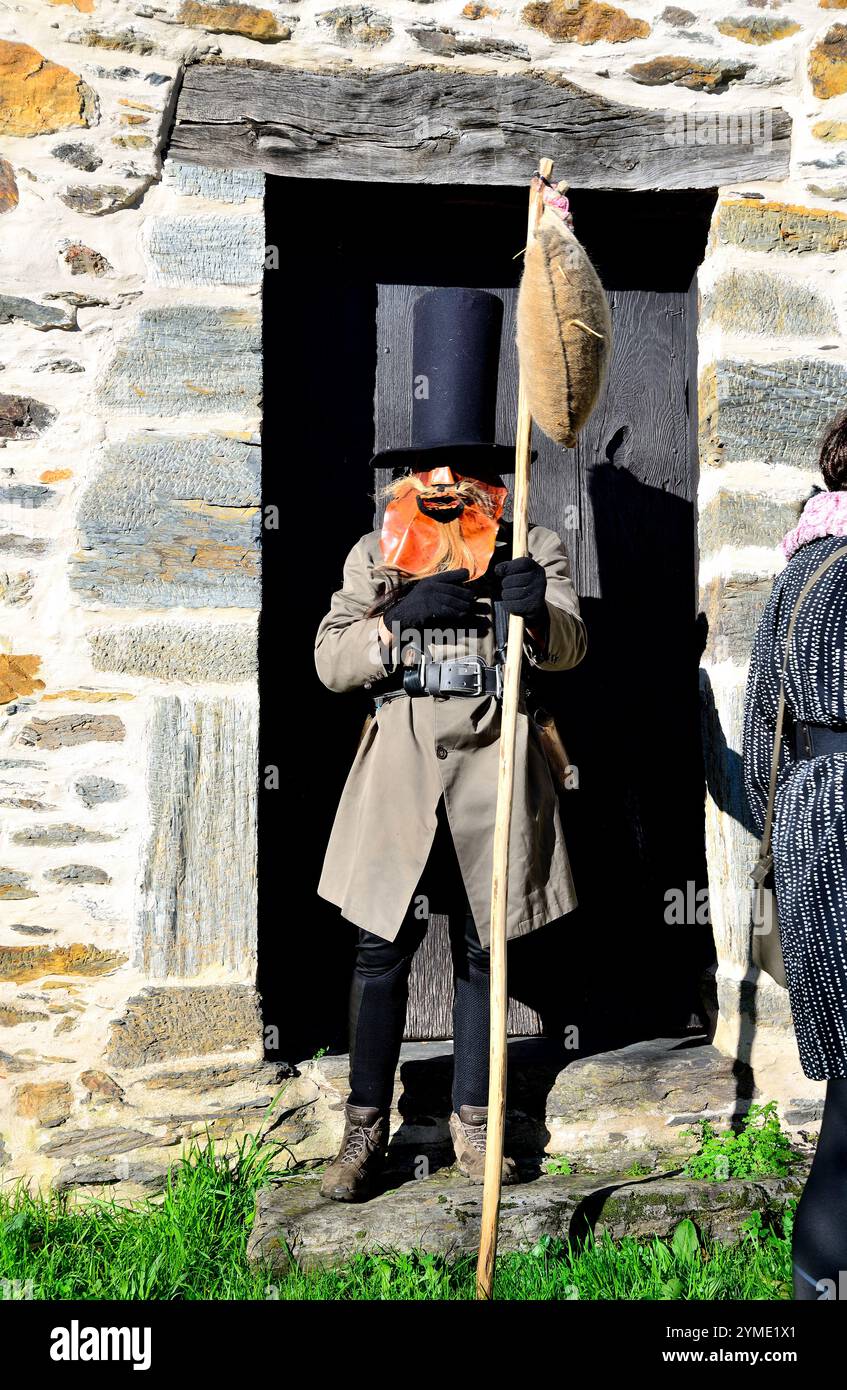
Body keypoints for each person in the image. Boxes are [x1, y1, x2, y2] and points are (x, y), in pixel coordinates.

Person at [314, 285, 586, 1202]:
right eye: (426, 463)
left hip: (495, 764)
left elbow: (573, 641)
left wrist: (533, 610)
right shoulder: (374, 552)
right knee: (377, 947)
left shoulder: (529, 539)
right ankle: (363, 1132)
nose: (441, 480)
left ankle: (476, 1124)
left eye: (457, 464)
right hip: (398, 769)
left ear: (484, 470)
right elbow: (328, 657)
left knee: (485, 946)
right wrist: (394, 623)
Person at [743, 408, 847, 1298]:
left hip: (812, 829)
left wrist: (801, 830)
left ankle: (819, 1287)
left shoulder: (798, 569)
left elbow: (755, 747)